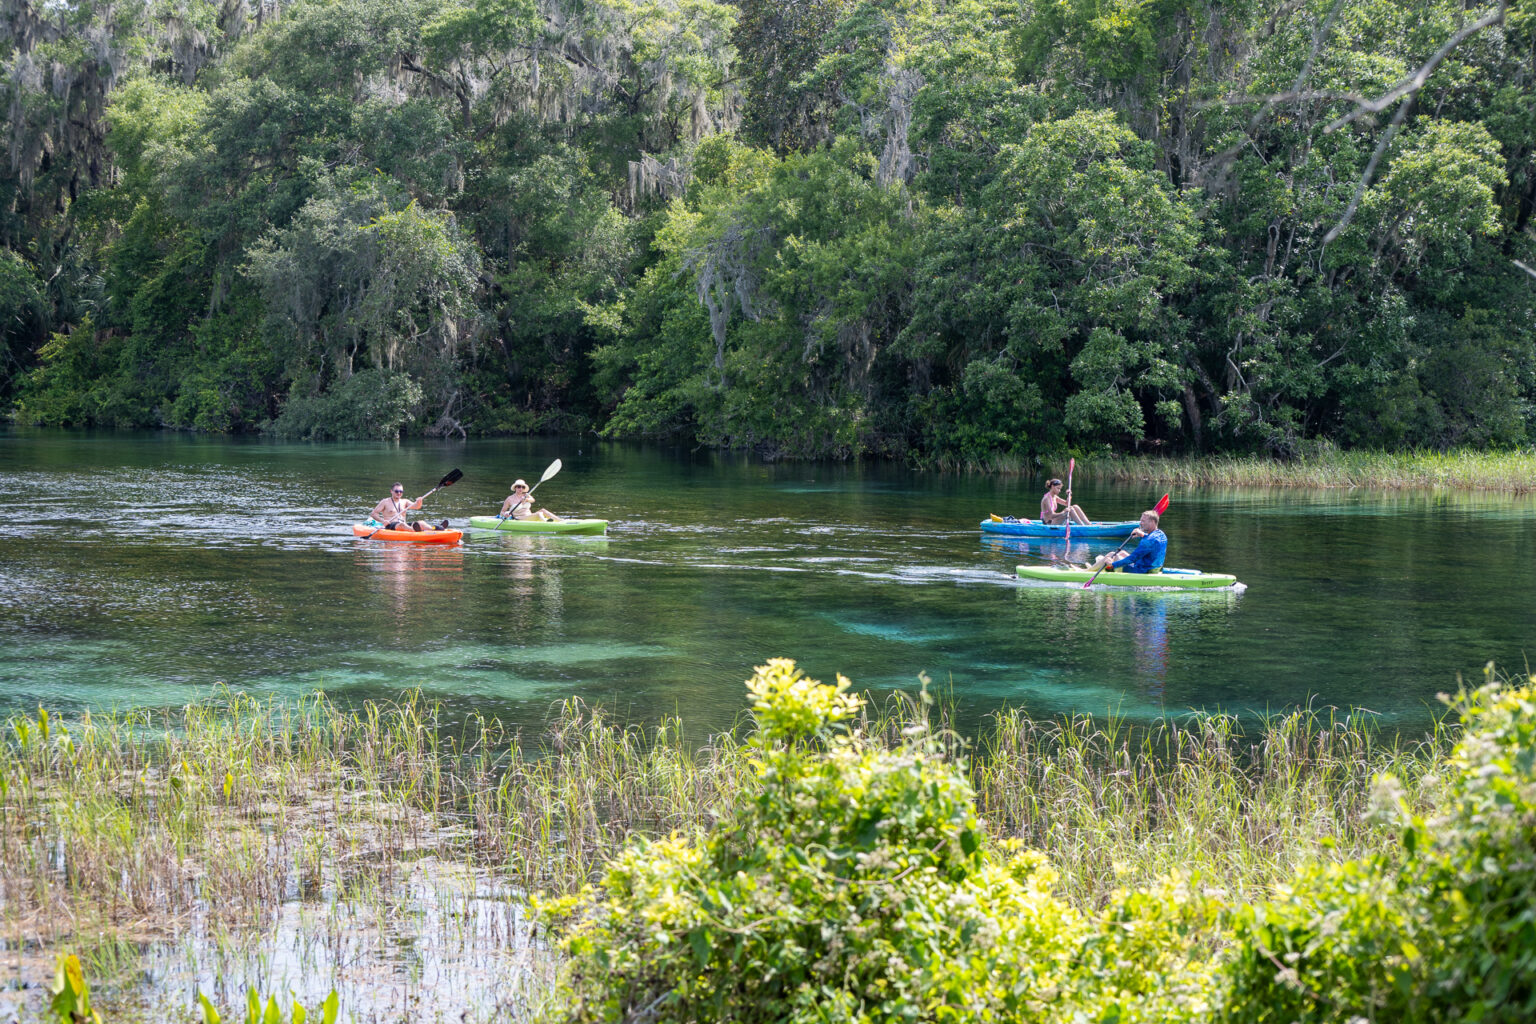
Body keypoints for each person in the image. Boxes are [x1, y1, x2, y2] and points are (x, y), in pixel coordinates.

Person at [1085, 510, 1167, 574]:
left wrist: (1113, 564)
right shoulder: (1161, 535)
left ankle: (1087, 571)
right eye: (1140, 520)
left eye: (1143, 521)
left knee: (1111, 556)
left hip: (1142, 571)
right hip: (1153, 567)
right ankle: (1093, 568)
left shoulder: (1148, 541)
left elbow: (1132, 559)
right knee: (1122, 552)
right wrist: (1142, 535)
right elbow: (1152, 543)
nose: (1140, 523)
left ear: (1152, 522)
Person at [368, 482, 449, 532]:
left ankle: (435, 529)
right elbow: (373, 514)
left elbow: (417, 507)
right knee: (402, 525)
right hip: (391, 525)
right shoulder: (385, 502)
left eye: (401, 491)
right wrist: (383, 521)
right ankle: (416, 531)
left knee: (421, 523)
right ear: (391, 491)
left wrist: (419, 501)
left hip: (404, 525)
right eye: (396, 491)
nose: (399, 493)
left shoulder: (405, 501)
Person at [498, 479, 563, 522]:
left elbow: (533, 500)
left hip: (530, 515)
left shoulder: (526, 495)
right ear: (515, 488)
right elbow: (502, 512)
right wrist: (506, 514)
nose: (521, 488)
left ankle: (560, 521)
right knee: (539, 513)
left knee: (543, 510)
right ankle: (546, 523)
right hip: (519, 518)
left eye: (522, 487)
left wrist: (526, 499)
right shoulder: (509, 499)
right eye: (518, 486)